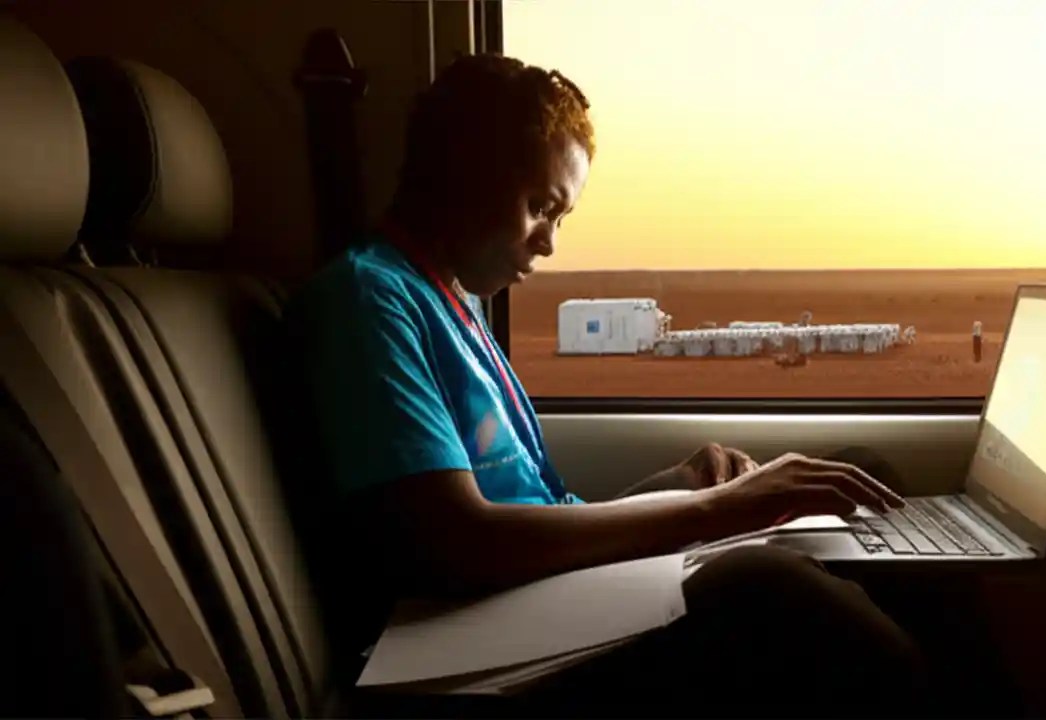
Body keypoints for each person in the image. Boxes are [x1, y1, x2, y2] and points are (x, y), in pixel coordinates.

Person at [288, 54, 929, 717]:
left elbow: (541, 511)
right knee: (776, 590)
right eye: (540, 207)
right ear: (460, 172)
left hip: (526, 604)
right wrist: (719, 510)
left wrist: (680, 486)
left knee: (856, 475)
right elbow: (459, 542)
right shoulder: (367, 300)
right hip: (469, 652)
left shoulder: (454, 300)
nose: (549, 245)